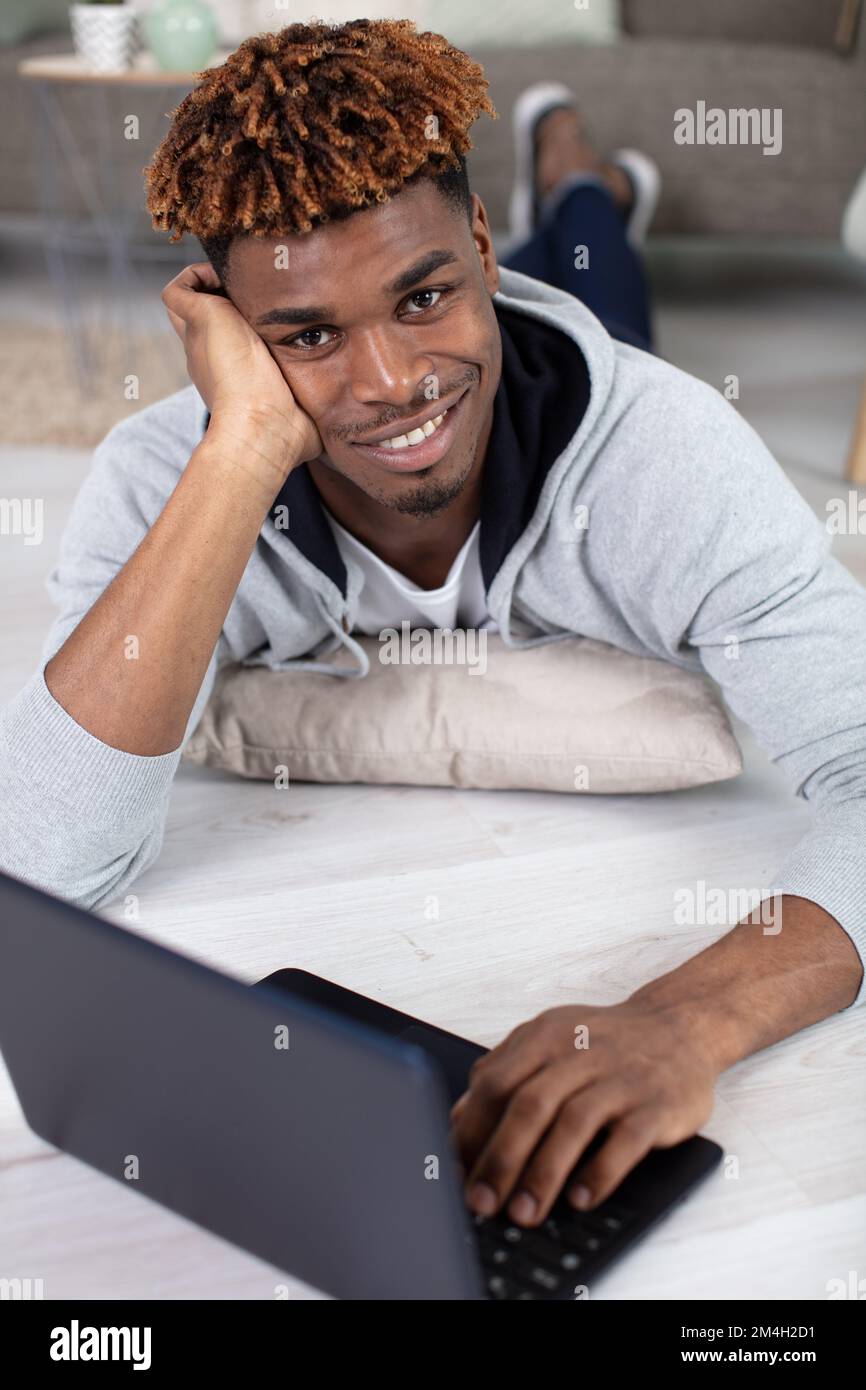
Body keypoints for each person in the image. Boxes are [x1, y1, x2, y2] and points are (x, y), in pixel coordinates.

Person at [1, 19, 864, 1238]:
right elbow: (36, 865)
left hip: (573, 334)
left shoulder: (667, 458)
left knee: (601, 283)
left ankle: (579, 174)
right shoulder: (159, 483)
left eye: (423, 295)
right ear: (228, 333)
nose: (389, 380)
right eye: (303, 334)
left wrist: (687, 1017)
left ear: (474, 248)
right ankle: (576, 183)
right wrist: (240, 454)